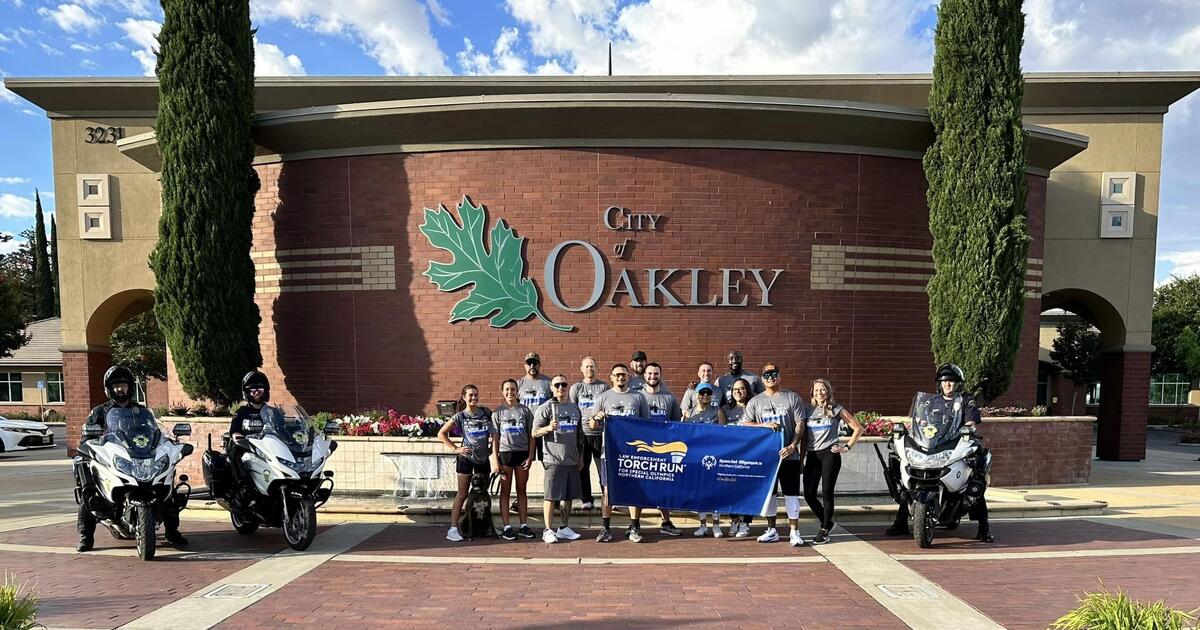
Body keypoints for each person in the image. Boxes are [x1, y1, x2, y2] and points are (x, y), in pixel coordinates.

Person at [76, 365, 187, 552]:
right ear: (109, 389)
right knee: (91, 494)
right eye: (116, 386)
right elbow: (86, 438)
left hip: (138, 457)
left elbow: (155, 432)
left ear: (130, 387)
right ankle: (86, 537)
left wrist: (167, 443)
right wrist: (91, 442)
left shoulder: (141, 411)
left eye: (123, 385)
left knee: (168, 492)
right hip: (111, 459)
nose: (120, 389)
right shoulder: (99, 412)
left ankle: (172, 531)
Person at [886, 364, 994, 543]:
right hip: (934, 444)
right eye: (944, 382)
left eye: (951, 381)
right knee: (908, 483)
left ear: (957, 383)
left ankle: (984, 528)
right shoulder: (930, 402)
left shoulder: (966, 400)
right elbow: (918, 421)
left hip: (956, 443)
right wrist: (916, 424)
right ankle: (901, 523)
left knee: (975, 482)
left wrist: (967, 429)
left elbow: (970, 424)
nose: (947, 385)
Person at [741, 363, 808, 546]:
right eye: (767, 375)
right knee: (770, 495)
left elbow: (800, 425)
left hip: (789, 455)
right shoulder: (756, 401)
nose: (770, 377)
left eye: (774, 374)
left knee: (791, 494)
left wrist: (793, 445)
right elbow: (745, 424)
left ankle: (794, 531)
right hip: (768, 458)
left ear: (780, 376)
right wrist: (763, 425)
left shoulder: (792, 398)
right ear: (762, 379)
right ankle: (771, 530)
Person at [590, 364, 650, 542]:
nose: (620, 378)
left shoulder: (638, 397)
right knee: (608, 491)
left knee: (634, 490)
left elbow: (646, 426)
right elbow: (592, 426)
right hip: (609, 453)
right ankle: (606, 528)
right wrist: (597, 418)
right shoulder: (603, 397)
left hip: (632, 453)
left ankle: (634, 527)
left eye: (623, 374)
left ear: (628, 377)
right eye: (617, 375)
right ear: (611, 377)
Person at [803, 378, 864, 545]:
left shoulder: (837, 410)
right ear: (812, 393)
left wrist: (846, 447)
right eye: (816, 390)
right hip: (812, 455)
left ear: (828, 392)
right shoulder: (808, 410)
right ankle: (828, 522)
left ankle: (824, 530)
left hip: (830, 454)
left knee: (827, 492)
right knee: (809, 494)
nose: (819, 393)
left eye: (822, 390)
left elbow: (858, 428)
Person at [440, 384, 499, 542]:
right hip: (466, 459)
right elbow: (441, 433)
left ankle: (485, 526)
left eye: (476, 395)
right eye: (470, 395)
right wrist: (455, 448)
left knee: (483, 494)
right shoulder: (460, 416)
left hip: (483, 460)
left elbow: (494, 436)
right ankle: (453, 529)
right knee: (462, 494)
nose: (473, 398)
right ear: (464, 397)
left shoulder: (486, 413)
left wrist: (494, 457)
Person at [532, 374, 584, 544]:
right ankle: (548, 529)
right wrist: (548, 428)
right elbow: (534, 432)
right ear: (552, 388)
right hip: (553, 458)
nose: (561, 388)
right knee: (551, 495)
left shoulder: (575, 409)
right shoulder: (545, 407)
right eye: (557, 385)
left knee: (567, 496)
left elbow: (579, 437)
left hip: (571, 458)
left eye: (564, 384)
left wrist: (580, 457)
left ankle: (563, 527)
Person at [638, 363, 683, 537]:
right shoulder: (638, 397)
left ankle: (666, 522)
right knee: (641, 485)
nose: (652, 376)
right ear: (644, 375)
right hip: (643, 449)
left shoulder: (669, 398)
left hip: (663, 450)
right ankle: (635, 523)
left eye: (656, 373)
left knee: (663, 485)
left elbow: (676, 425)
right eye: (649, 373)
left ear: (660, 375)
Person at [494, 379, 535, 540]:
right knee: (505, 491)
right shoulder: (498, 412)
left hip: (522, 453)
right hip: (505, 454)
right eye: (507, 390)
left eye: (512, 389)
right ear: (502, 392)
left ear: (517, 391)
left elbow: (532, 436)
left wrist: (531, 456)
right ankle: (507, 526)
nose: (510, 392)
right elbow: (495, 439)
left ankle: (524, 525)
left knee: (521, 490)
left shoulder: (525, 411)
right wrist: (495, 460)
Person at [570, 356, 609, 510]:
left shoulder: (604, 388)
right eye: (586, 366)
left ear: (597, 368)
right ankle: (587, 499)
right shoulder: (576, 388)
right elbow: (572, 410)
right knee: (583, 467)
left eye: (592, 366)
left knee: (603, 469)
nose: (589, 369)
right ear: (581, 369)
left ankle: (606, 497)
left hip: (601, 434)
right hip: (583, 434)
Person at [719, 377, 755, 537]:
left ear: (747, 390)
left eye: (741, 388)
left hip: (751, 455)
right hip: (731, 456)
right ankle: (735, 520)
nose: (738, 392)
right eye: (735, 390)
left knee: (749, 491)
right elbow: (721, 433)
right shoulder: (725, 410)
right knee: (727, 489)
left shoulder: (755, 406)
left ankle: (745, 523)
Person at [687, 383, 724, 537]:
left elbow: (724, 435)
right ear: (697, 394)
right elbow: (685, 436)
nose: (705, 395)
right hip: (696, 458)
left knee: (715, 491)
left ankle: (716, 525)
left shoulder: (718, 411)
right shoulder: (689, 413)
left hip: (713, 457)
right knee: (699, 491)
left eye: (708, 393)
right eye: (702, 393)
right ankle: (702, 524)